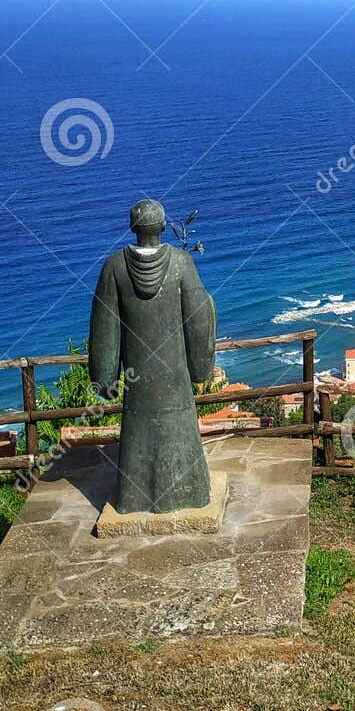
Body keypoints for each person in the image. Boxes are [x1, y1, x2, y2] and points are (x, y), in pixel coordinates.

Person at [88, 198, 217, 514]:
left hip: (138, 378)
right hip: (175, 377)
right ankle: (191, 493)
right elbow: (199, 317)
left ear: (133, 227)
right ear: (162, 227)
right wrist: (201, 368)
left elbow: (104, 327)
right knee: (181, 430)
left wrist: (104, 379)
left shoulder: (114, 267)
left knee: (138, 434)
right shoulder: (181, 263)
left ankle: (134, 497)